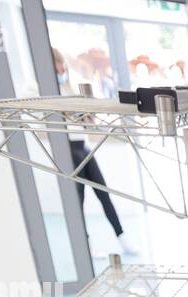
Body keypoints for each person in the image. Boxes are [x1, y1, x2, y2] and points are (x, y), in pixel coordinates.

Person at [52, 48, 136, 256]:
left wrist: (85, 116)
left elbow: (85, 115)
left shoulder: (70, 86)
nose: (61, 70)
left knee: (104, 194)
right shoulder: (46, 90)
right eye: (58, 66)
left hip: (83, 147)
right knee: (77, 201)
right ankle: (85, 245)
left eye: (62, 66)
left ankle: (123, 238)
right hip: (67, 149)